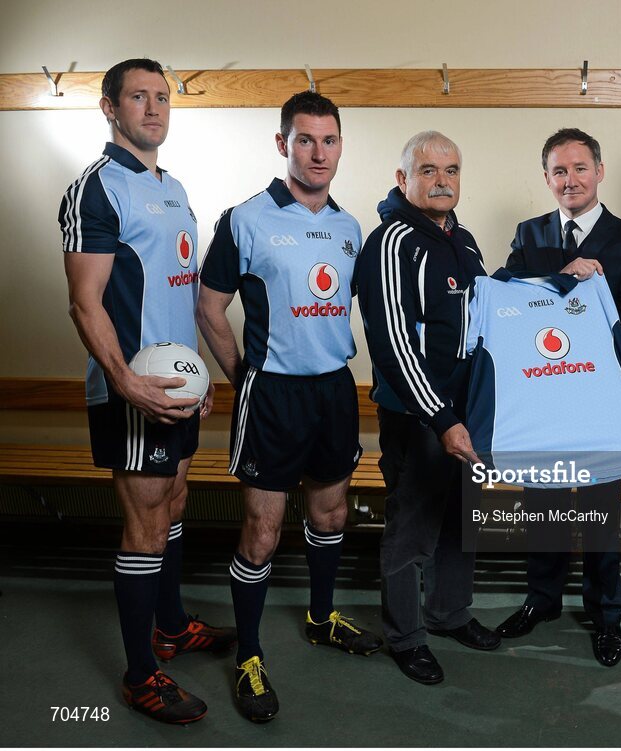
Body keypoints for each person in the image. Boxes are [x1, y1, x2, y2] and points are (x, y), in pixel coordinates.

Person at [197, 91, 381, 722]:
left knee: (330, 516)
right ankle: (248, 654)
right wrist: (244, 377)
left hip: (334, 391)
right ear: (283, 145)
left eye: (330, 140)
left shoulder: (350, 226)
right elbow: (209, 308)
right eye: (306, 140)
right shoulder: (245, 219)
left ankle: (322, 616)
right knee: (263, 532)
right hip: (271, 394)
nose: (319, 152)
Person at [58, 58, 232, 725]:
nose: (154, 108)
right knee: (145, 522)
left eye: (163, 97)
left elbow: (176, 292)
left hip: (176, 386)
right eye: (139, 97)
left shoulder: (175, 186)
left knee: (176, 498)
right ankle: (140, 674)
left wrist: (199, 374)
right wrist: (128, 382)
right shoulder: (97, 189)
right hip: (132, 392)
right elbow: (84, 302)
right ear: (110, 107)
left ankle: (171, 623)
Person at [494, 128, 621, 667]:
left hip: (605, 403)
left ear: (599, 171)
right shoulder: (530, 234)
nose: (569, 179)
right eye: (558, 171)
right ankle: (543, 600)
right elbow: (502, 290)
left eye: (579, 168)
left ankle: (606, 614)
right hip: (543, 400)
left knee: (600, 516)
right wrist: (559, 273)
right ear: (547, 179)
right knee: (542, 508)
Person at [355, 130, 499, 686]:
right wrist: (441, 418)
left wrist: (562, 282)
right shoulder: (390, 242)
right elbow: (391, 344)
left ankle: (447, 614)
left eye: (452, 170)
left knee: (460, 520)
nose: (443, 180)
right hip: (418, 414)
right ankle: (406, 636)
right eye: (429, 170)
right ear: (403, 179)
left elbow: (487, 307)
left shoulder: (460, 238)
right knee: (412, 526)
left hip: (466, 411)